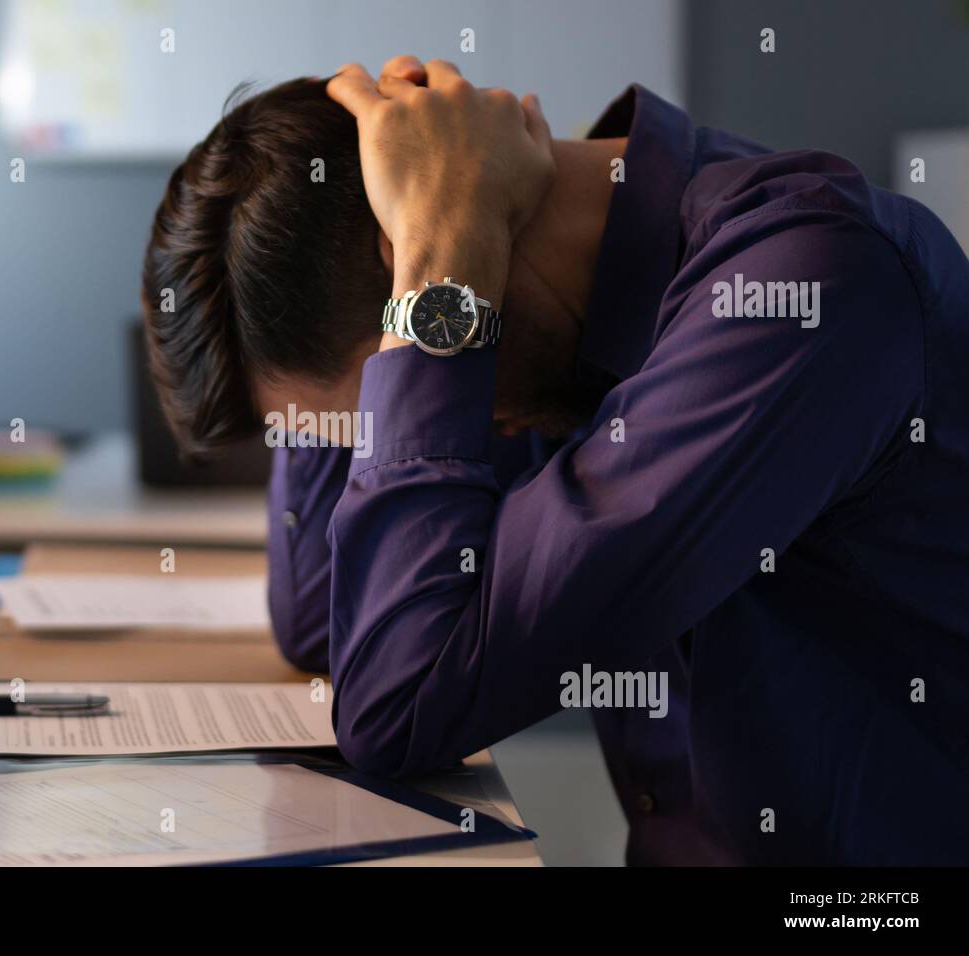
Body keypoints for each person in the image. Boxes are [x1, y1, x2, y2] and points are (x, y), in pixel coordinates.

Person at [141, 55, 969, 865]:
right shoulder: (548, 317)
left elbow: (398, 703)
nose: (403, 411)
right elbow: (320, 616)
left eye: (381, 407)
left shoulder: (799, 289)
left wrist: (437, 267)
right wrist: (398, 202)